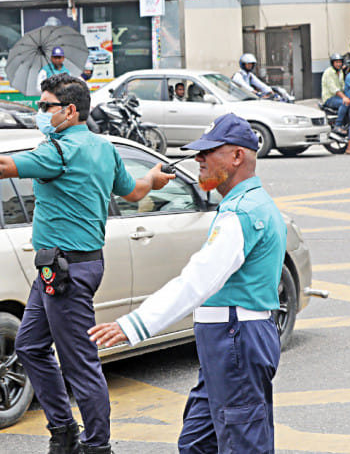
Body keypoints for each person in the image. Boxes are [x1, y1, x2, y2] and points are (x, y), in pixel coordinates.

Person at [0, 74, 175, 454]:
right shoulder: (104, 149)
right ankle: (63, 431)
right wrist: (153, 177)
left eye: (46, 107)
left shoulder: (59, 152)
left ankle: (96, 446)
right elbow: (136, 191)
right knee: (29, 346)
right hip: (61, 269)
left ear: (71, 110)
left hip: (68, 272)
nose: (39, 112)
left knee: (80, 362)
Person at [89, 113, 285, 454]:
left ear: (237, 156)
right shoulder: (244, 206)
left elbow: (198, 280)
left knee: (243, 445)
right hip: (226, 342)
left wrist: (135, 325)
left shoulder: (242, 212)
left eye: (208, 152)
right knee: (197, 443)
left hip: (235, 339)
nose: (198, 160)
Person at [321, 53, 350, 130]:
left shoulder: (340, 72)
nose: (339, 64)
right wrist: (344, 97)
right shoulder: (329, 72)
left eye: (340, 62)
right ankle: (338, 125)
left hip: (338, 97)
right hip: (329, 98)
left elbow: (343, 86)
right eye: (336, 62)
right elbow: (334, 89)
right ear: (333, 63)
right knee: (345, 102)